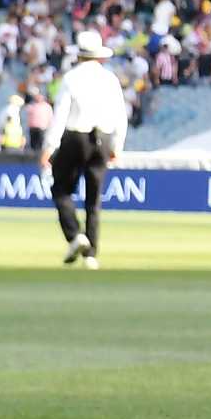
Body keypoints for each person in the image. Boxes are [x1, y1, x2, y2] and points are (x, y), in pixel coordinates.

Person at [47, 28, 131, 268]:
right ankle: (91, 254)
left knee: (61, 190)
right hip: (102, 139)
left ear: (78, 54)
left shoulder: (71, 78)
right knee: (93, 200)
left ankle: (75, 235)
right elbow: (120, 117)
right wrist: (116, 146)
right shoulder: (110, 79)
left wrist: (49, 146)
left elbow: (60, 115)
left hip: (75, 136)